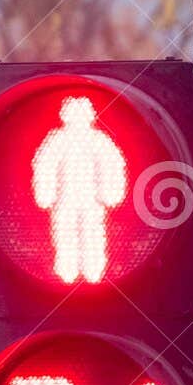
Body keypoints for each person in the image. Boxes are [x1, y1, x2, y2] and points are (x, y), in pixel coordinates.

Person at [30, 96, 127, 283]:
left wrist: (110, 191)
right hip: (65, 199)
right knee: (66, 233)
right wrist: (46, 193)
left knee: (92, 232)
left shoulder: (96, 139)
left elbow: (112, 163)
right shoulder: (59, 139)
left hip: (91, 199)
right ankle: (68, 272)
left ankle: (93, 271)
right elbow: (45, 165)